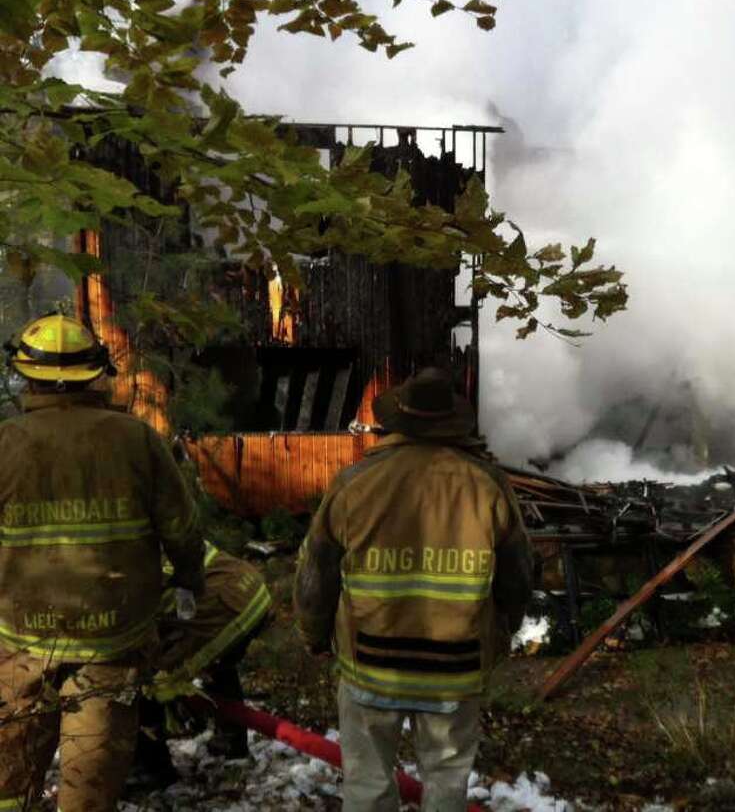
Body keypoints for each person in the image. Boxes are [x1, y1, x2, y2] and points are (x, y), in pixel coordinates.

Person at [295, 367, 534, 812]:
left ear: (397, 421)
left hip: (370, 663)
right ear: (451, 423)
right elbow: (518, 576)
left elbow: (317, 572)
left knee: (367, 785)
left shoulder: (354, 483)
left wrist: (314, 635)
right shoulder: (487, 484)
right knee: (446, 782)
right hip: (454, 668)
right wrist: (502, 633)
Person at [0, 313, 206, 812]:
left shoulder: (6, 442)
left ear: (27, 376)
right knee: (90, 782)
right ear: (98, 372)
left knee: (10, 774)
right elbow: (181, 527)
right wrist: (188, 580)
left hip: (19, 637)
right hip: (112, 638)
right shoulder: (134, 439)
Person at [134, 540, 274, 786]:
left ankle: (152, 768)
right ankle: (231, 740)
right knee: (217, 661)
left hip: (225, 606)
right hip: (250, 587)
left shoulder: (112, 565)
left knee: (144, 683)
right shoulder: (145, 530)